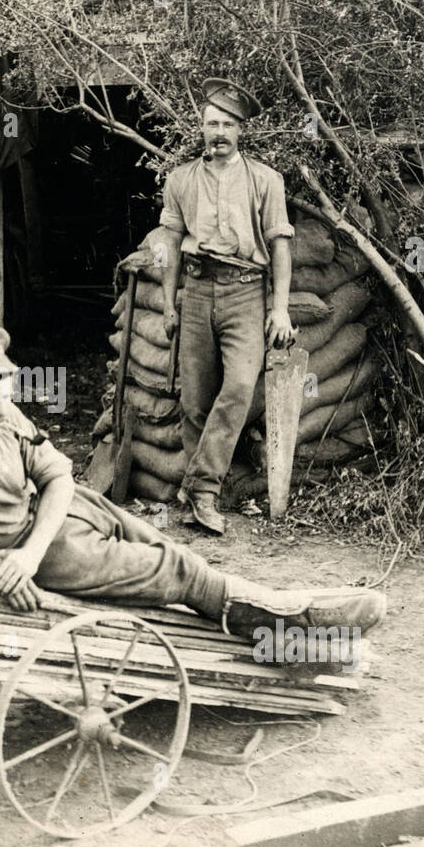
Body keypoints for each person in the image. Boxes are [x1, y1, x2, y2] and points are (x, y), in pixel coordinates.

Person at [0, 329, 384, 646]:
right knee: (178, 570)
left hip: (59, 519)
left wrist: (32, 552)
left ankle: (272, 602)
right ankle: (292, 624)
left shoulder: (5, 419)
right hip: (49, 552)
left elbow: (57, 475)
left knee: (164, 545)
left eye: (3, 388)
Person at [155, 79, 297, 535]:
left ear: (240, 131)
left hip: (245, 291)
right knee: (195, 399)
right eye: (211, 123)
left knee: (237, 388)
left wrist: (279, 308)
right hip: (196, 290)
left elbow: (279, 245)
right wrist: (168, 302)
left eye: (227, 125)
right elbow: (171, 242)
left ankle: (199, 489)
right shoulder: (179, 180)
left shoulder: (265, 180)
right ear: (200, 127)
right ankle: (202, 498)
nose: (218, 131)